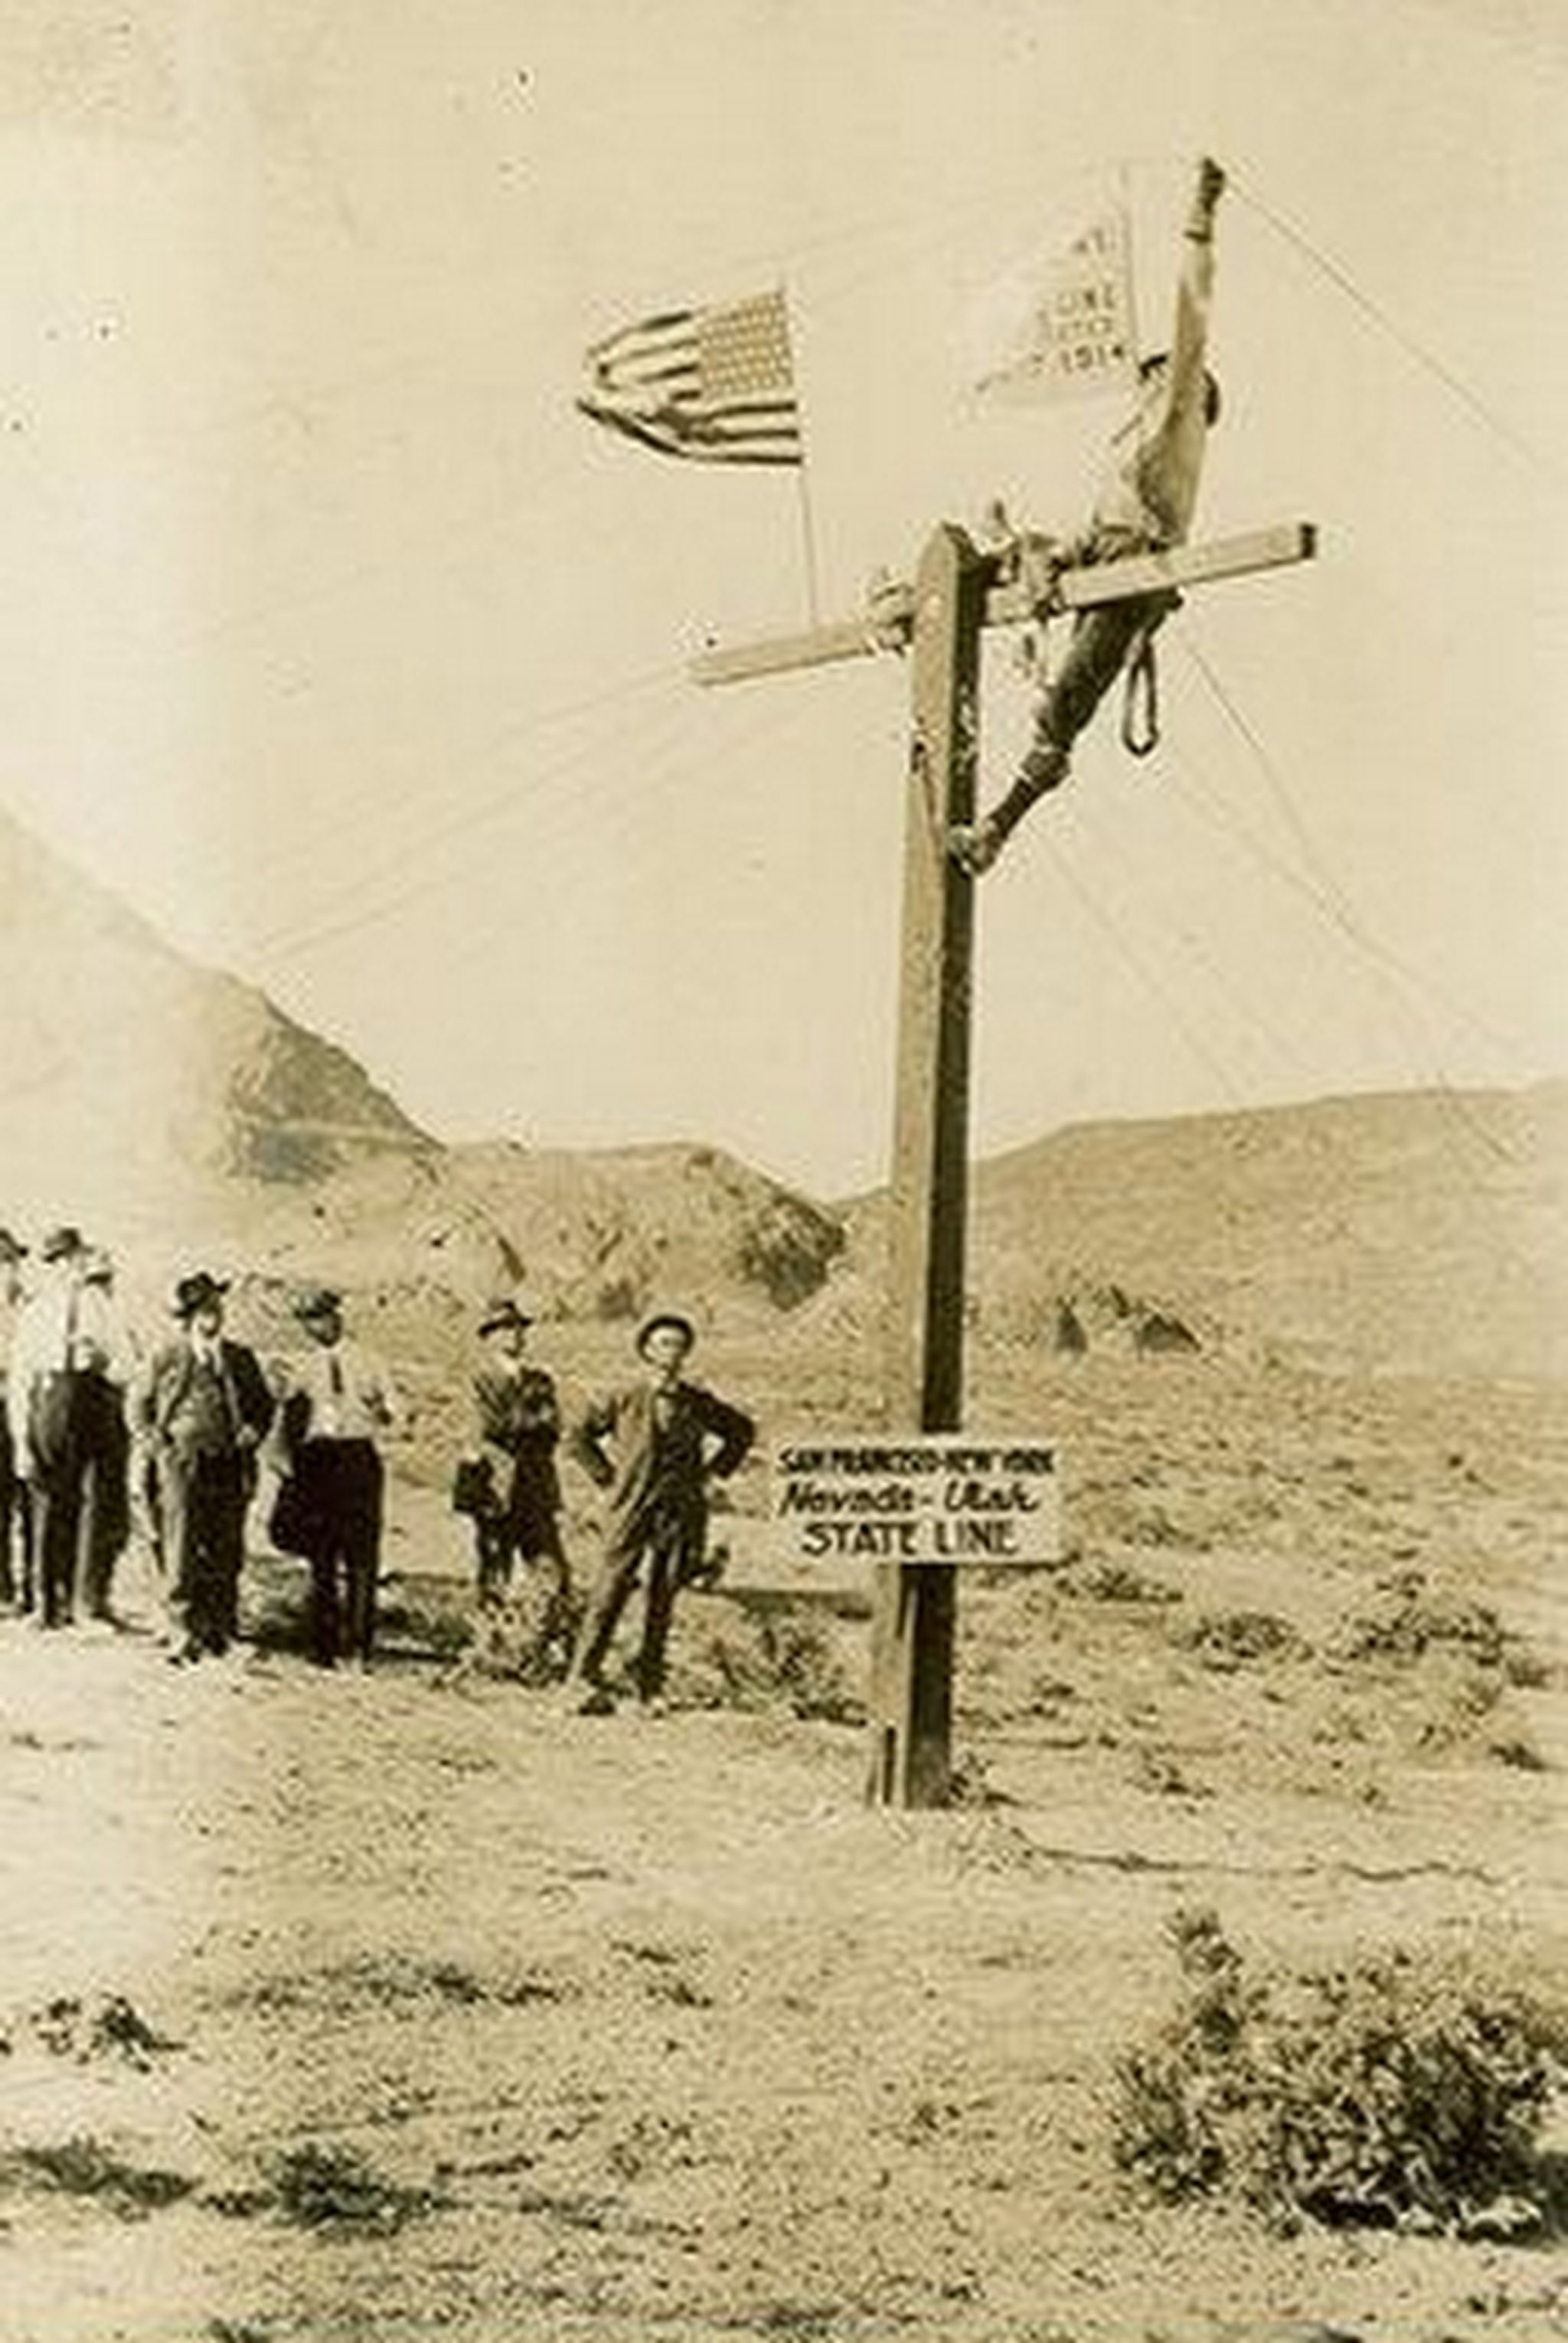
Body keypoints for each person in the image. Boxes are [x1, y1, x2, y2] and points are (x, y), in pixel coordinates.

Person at [951, 155, 1227, 875]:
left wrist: (1199, 224)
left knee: (1060, 712)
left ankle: (993, 834)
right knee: (1021, 604)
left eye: (1157, 374)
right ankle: (937, 593)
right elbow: (1092, 529)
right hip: (1105, 552)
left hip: (1135, 569)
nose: (1143, 380)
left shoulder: (1177, 420)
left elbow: (1191, 320)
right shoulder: (1128, 444)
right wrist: (1035, 551)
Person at [564, 1311, 754, 1712]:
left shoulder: (696, 1401)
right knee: (609, 1588)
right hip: (630, 1506)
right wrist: (609, 1479)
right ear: (646, 1350)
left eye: (679, 1344)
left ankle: (649, 1688)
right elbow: (577, 1437)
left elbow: (741, 1431)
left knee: (663, 1595)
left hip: (679, 1509)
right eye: (663, 1343)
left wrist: (712, 1475)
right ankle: (581, 1678)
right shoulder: (624, 1396)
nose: (672, 1351)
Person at [138, 1272, 273, 1664]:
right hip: (182, 1463)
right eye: (207, 1308)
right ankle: (181, 1629)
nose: (216, 1314)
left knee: (226, 1546)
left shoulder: (240, 1358)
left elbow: (263, 1407)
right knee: (180, 1545)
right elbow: (138, 1406)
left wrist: (254, 1430)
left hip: (229, 1462)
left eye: (218, 1306)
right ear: (191, 1315)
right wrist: (156, 1442)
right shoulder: (166, 1356)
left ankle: (221, 1630)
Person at [276, 1287, 399, 1669]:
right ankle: (322, 1647)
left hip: (358, 1456)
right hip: (318, 1461)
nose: (316, 1327)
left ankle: (360, 1648)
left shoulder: (370, 1361)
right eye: (308, 1322)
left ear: (337, 1318)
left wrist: (381, 1411)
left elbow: (397, 1410)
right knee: (322, 1555)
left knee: (362, 1556)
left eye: (321, 1318)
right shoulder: (303, 1367)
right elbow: (287, 1420)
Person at [462, 1298, 572, 1629]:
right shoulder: (478, 1380)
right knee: (495, 1565)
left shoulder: (541, 1380)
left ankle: (549, 1638)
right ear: (489, 1337)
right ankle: (488, 1642)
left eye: (518, 1328)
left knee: (551, 1567)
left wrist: (519, 1426)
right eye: (505, 1329)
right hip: (494, 1485)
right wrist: (528, 1423)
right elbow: (486, 1427)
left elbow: (551, 1428)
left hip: (536, 1485)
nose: (514, 1335)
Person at [8, 1225, 93, 1628]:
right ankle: (40, 1601)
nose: (78, 1267)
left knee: (73, 1505)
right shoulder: (36, 1313)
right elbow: (23, 1376)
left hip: (81, 1409)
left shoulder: (93, 1309)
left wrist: (98, 1360)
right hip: (45, 1407)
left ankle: (65, 1598)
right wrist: (23, 1439)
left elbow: (123, 1362)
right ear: (56, 1266)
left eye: (80, 1259)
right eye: (70, 1261)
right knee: (40, 1506)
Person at [72, 1246, 137, 1628]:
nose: (103, 1284)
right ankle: (88, 1601)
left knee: (107, 1509)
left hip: (114, 1413)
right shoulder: (90, 1310)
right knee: (97, 1507)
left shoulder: (109, 1311)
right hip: (99, 1413)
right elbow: (93, 1361)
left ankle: (97, 1596)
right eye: (98, 1278)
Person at [0, 1228, 30, 1610]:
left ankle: (28, 1588)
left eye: (12, 1262)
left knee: (26, 1499)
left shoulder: (31, 1309)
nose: (10, 1270)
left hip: (26, 1409)